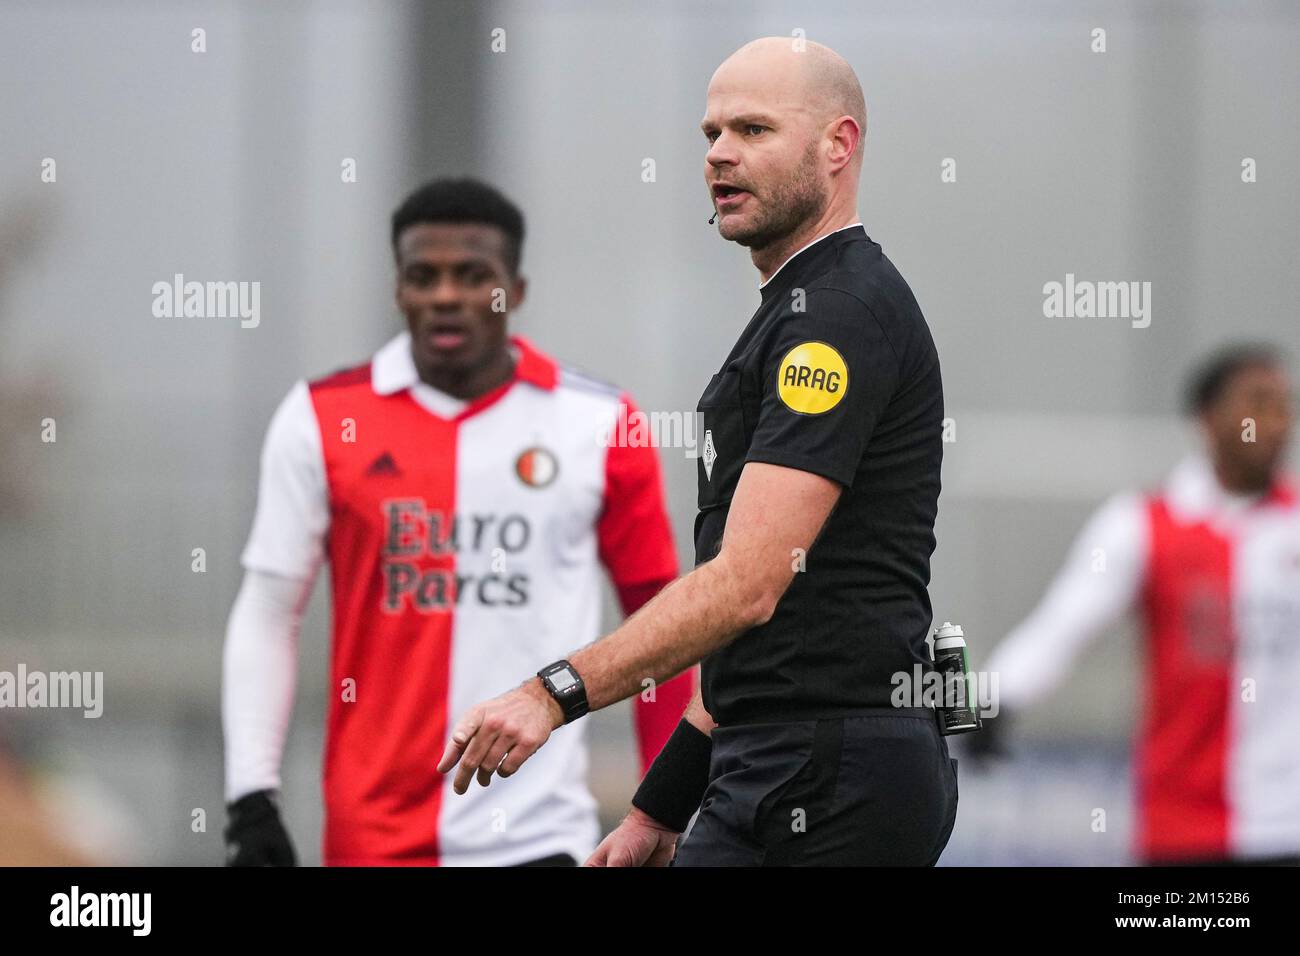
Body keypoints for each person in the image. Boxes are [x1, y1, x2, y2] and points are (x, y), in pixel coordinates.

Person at [437, 38, 956, 867]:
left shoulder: (837, 316)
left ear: (838, 144)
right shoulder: (796, 310)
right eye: (711, 132)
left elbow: (746, 587)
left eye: (753, 129)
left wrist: (552, 693)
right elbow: (771, 634)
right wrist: (659, 807)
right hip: (788, 763)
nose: (719, 153)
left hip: (830, 776)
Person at [221, 177, 691, 866]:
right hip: (368, 843)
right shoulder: (321, 417)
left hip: (536, 841)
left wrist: (669, 805)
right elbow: (269, 613)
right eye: (424, 276)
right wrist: (249, 800)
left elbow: (661, 623)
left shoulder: (598, 422)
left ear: (517, 291)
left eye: (474, 276)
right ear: (399, 292)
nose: (446, 295)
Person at [980, 344, 1300, 865]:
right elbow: (1065, 623)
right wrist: (997, 698)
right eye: (1258, 403)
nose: (1276, 422)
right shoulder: (1144, 524)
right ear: (1207, 418)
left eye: (1285, 405)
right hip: (1186, 827)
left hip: (1289, 824)